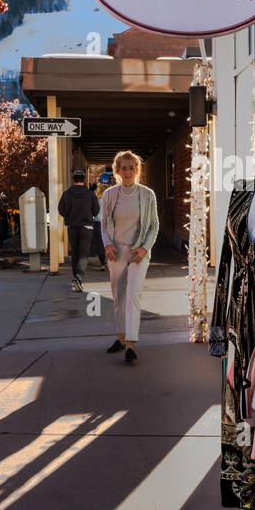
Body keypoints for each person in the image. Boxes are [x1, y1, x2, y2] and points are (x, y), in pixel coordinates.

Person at [100, 150, 159, 363]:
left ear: (137, 170)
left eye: (131, 167)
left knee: (133, 294)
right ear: (117, 171)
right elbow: (104, 224)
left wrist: (144, 248)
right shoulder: (109, 195)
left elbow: (154, 225)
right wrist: (107, 245)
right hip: (116, 252)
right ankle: (121, 336)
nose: (127, 171)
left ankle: (131, 344)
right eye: (123, 168)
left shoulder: (147, 194)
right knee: (119, 296)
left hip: (138, 253)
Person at [57, 169, 99, 291]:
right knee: (83, 253)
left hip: (72, 227)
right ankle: (78, 278)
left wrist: (69, 216)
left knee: (75, 253)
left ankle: (75, 278)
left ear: (73, 179)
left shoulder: (66, 194)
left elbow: (61, 209)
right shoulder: (90, 194)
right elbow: (96, 211)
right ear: (83, 180)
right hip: (86, 228)